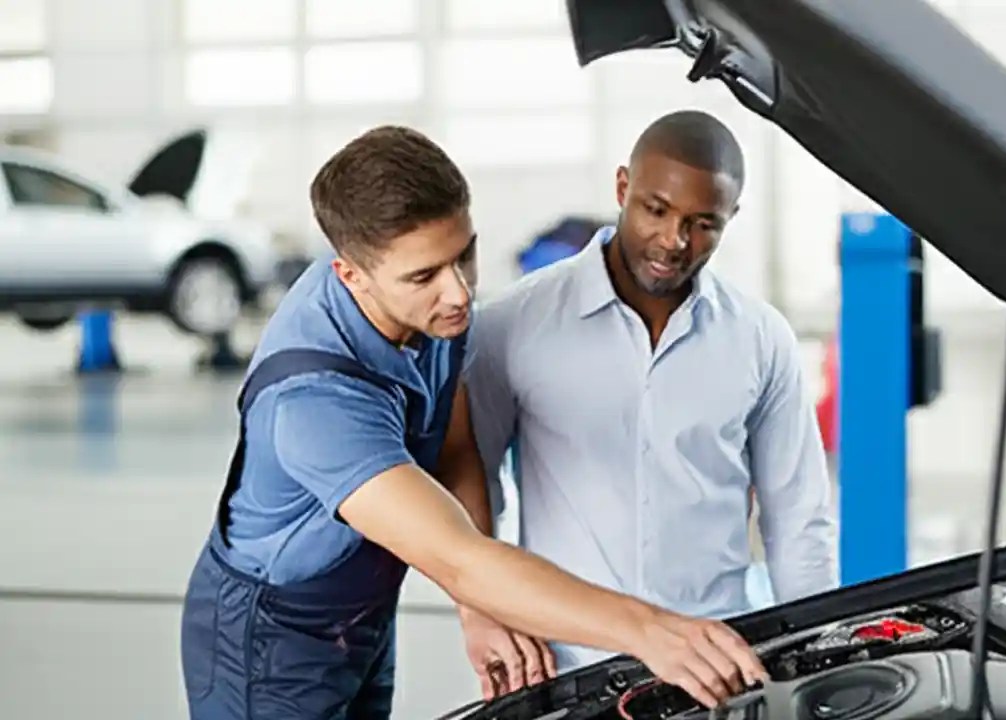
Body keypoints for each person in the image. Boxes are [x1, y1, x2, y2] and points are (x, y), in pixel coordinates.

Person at [178, 125, 768, 720]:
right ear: (350, 275)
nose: (458, 294)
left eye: (464, 255)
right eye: (424, 275)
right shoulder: (312, 405)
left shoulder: (428, 312)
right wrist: (651, 633)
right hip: (268, 642)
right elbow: (459, 557)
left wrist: (478, 608)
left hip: (360, 619)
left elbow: (456, 447)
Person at [465, 110, 840, 672]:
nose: (674, 241)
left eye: (703, 223)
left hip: (716, 662)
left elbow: (797, 518)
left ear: (730, 218)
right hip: (567, 667)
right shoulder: (512, 324)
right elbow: (469, 473)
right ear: (623, 187)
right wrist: (482, 608)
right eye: (656, 210)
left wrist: (819, 653)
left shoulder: (761, 339)